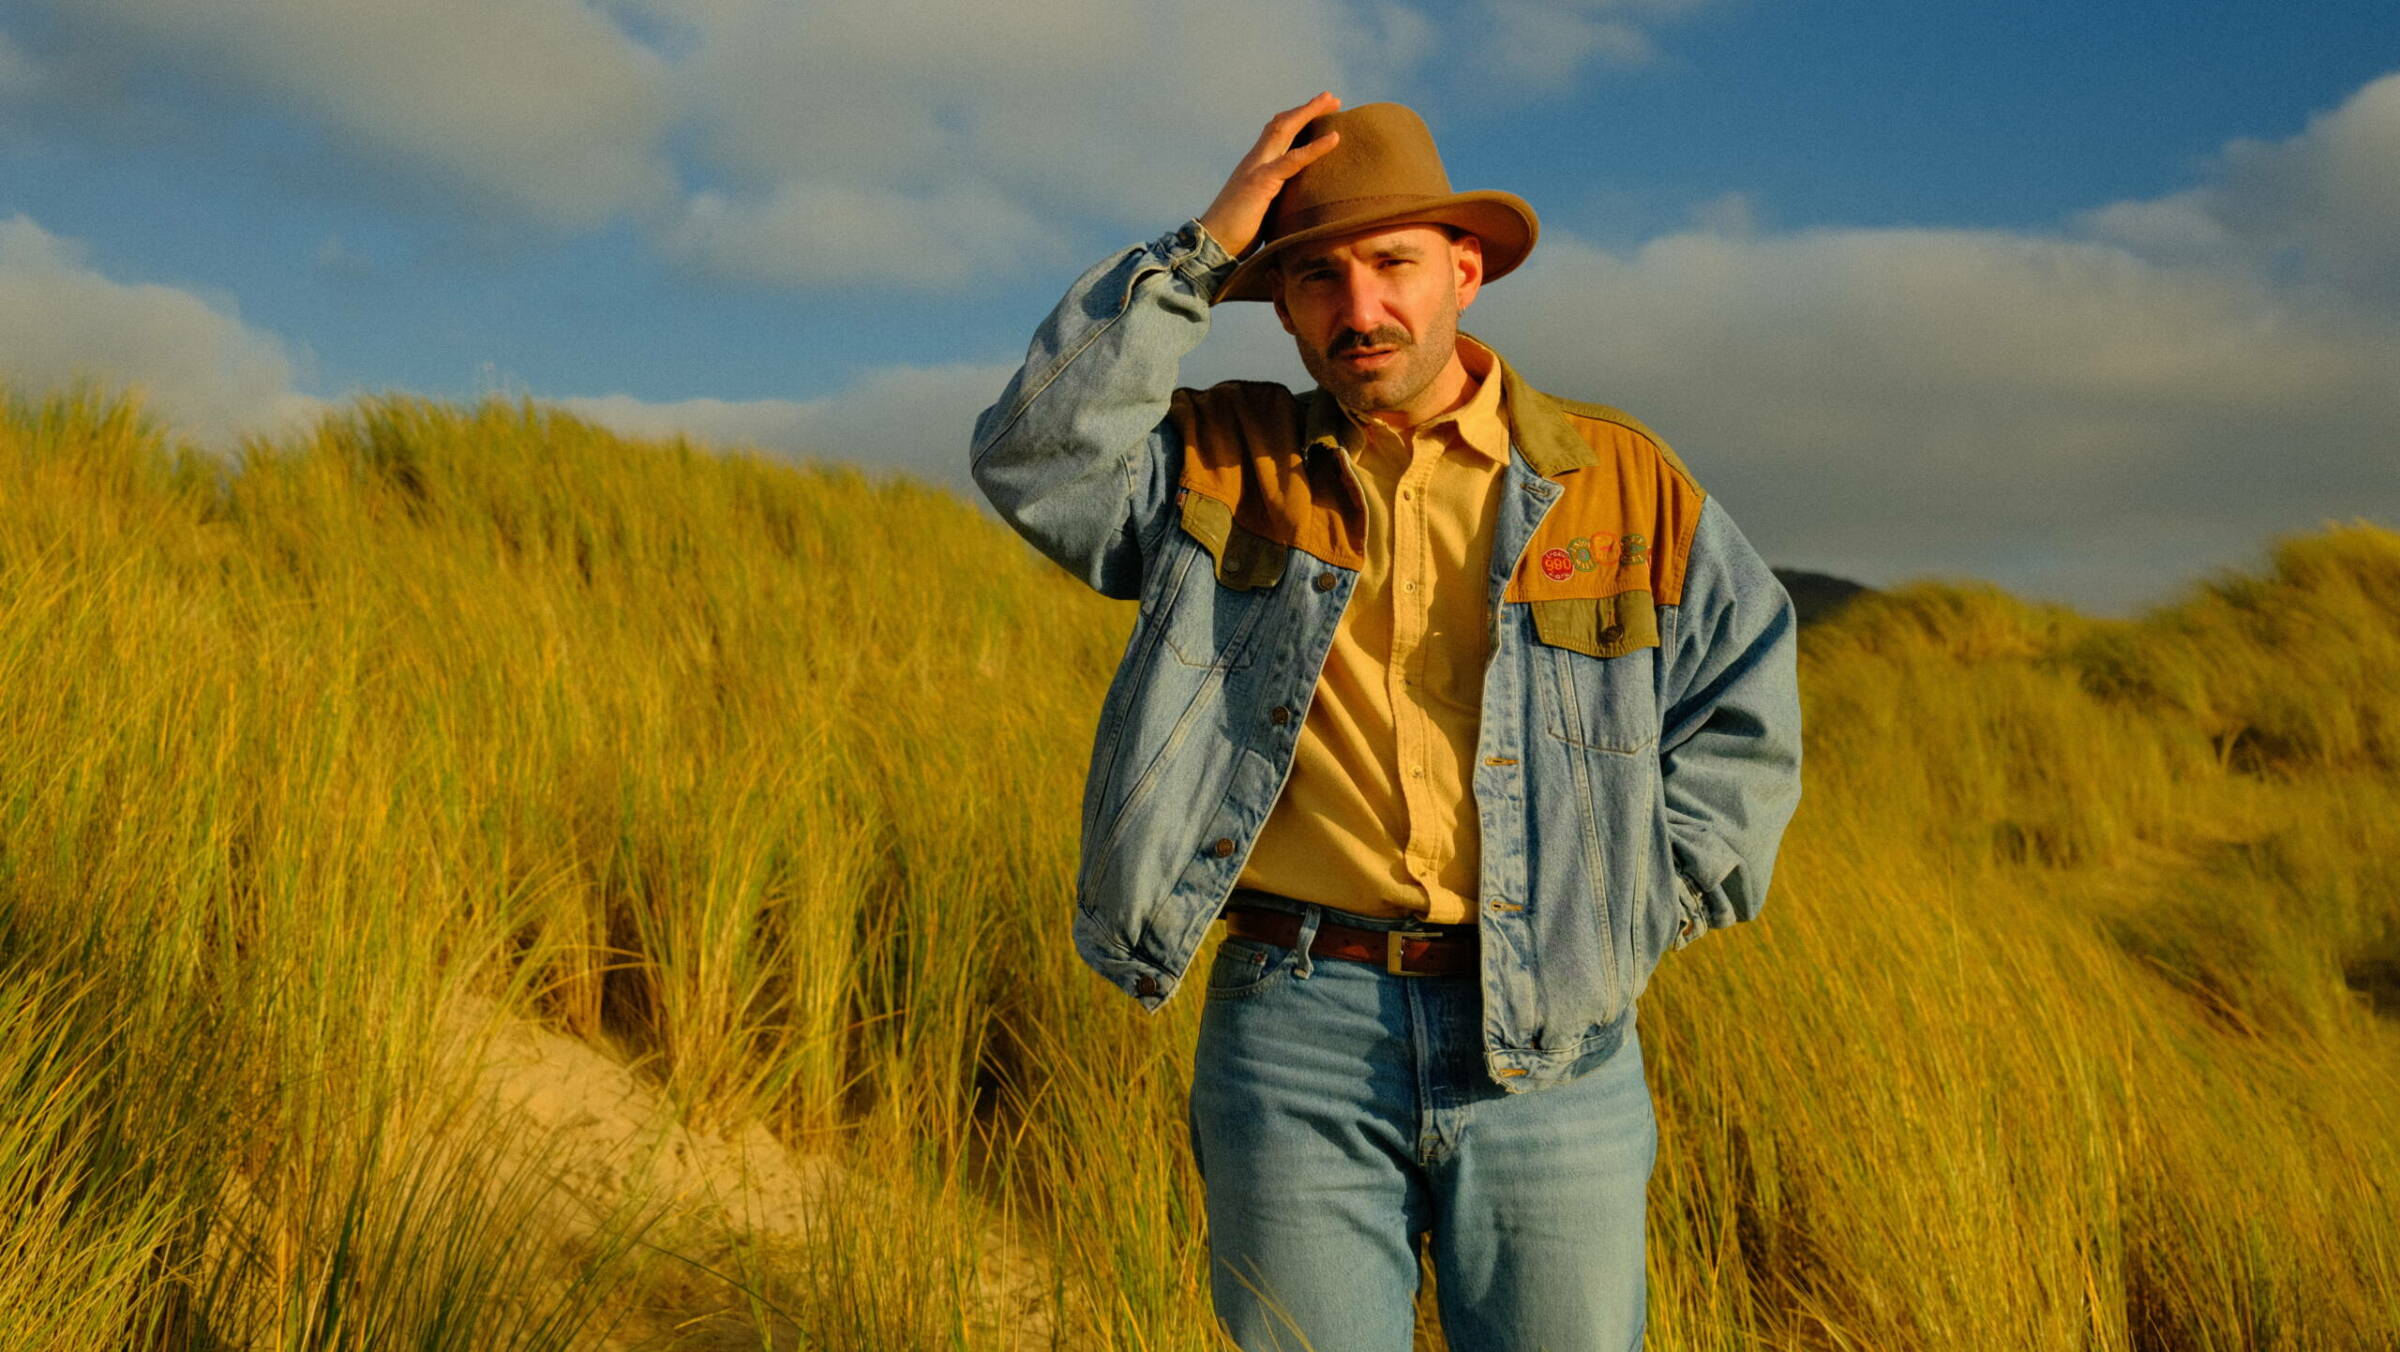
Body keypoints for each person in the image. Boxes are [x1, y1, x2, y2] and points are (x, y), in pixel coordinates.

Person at [970, 93, 1802, 1352]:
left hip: (1552, 1041)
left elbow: (1744, 708)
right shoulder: (1219, 458)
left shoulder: (1619, 480)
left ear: (1465, 271)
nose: (1360, 310)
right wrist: (1204, 244)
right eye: (1316, 278)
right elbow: (1036, 458)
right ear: (1285, 303)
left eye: (1393, 264)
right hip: (1291, 1022)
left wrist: (1632, 907)